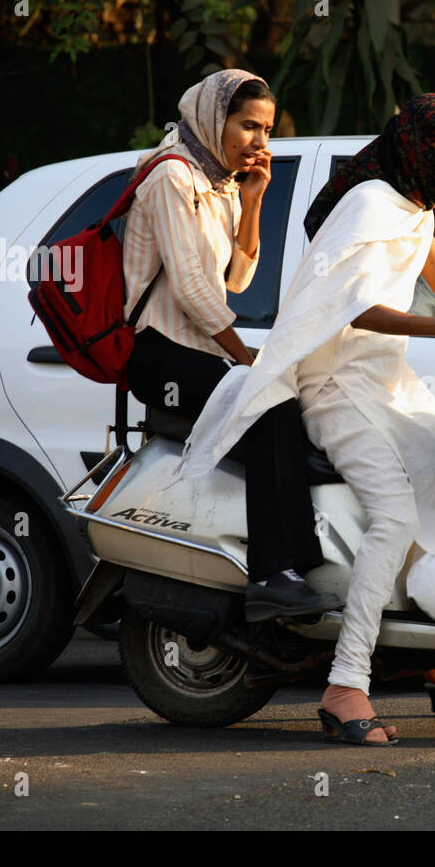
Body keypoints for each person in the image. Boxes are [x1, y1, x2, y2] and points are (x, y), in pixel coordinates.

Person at [181, 93, 435, 743]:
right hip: (336, 382)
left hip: (386, 380)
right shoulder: (367, 206)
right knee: (396, 516)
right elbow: (355, 310)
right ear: (418, 148)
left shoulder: (414, 205)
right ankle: (345, 686)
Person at [122, 69, 335, 620]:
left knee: (284, 406)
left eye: (266, 129)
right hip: (160, 354)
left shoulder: (218, 183)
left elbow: (236, 279)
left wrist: (255, 199)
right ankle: (271, 574)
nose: (259, 142)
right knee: (266, 409)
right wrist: (247, 358)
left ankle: (299, 565)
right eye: (247, 126)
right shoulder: (171, 177)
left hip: (199, 351)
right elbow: (194, 291)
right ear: (215, 119)